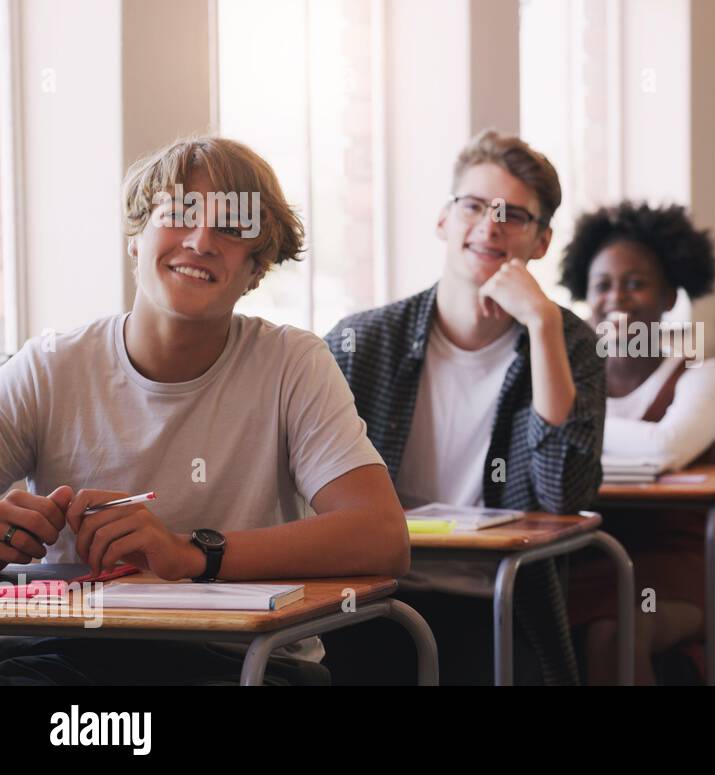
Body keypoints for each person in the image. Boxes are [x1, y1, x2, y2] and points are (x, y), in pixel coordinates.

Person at [0, 136, 409, 684]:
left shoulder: (291, 362)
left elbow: (381, 537)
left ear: (257, 269)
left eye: (231, 229)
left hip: (241, 659)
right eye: (179, 214)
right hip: (65, 651)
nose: (200, 241)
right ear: (135, 239)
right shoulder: (49, 366)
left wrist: (194, 553)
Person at [323, 130, 604, 685]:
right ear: (444, 221)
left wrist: (543, 325)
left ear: (542, 242)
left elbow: (565, 494)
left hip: (501, 598)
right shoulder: (363, 341)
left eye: (514, 215)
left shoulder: (570, 343)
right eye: (474, 206)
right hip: (377, 596)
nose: (490, 225)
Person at [558, 202, 715, 684]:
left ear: (670, 294)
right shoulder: (564, 379)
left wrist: (567, 430)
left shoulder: (702, 376)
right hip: (580, 560)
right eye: (603, 285)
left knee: (614, 633)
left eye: (636, 283)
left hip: (671, 571)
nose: (618, 297)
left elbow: (665, 447)